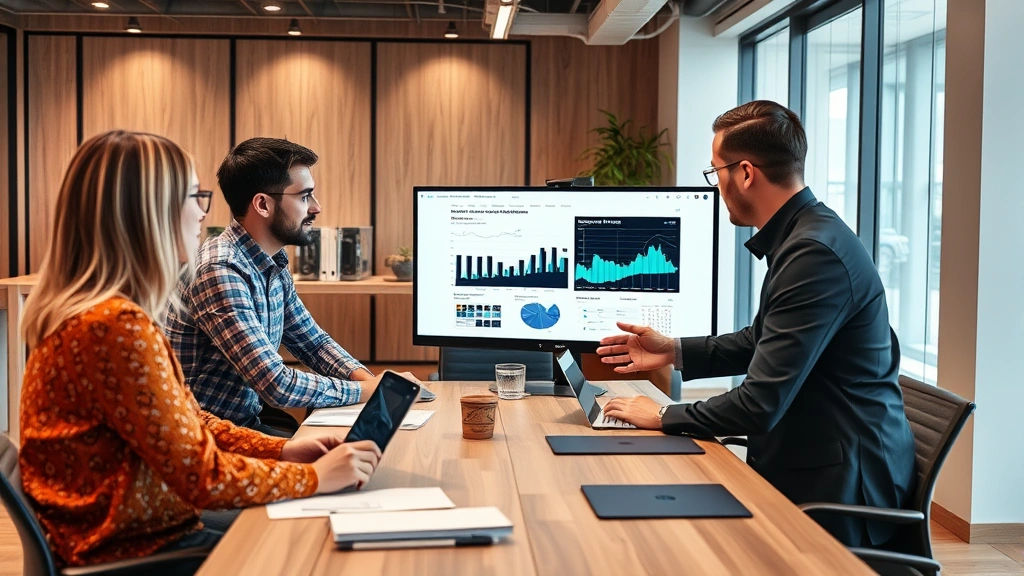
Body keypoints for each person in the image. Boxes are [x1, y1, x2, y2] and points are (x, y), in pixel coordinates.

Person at [18, 131, 383, 568]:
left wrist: (281, 452)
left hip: (143, 526)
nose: (203, 212)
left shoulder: (108, 316)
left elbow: (189, 421)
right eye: (195, 196)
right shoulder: (113, 328)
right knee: (312, 542)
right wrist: (312, 477)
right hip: (132, 547)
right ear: (149, 213)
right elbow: (202, 475)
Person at [596, 101, 915, 548]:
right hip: (814, 456)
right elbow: (762, 339)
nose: (717, 184)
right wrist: (673, 350)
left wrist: (664, 414)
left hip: (838, 487)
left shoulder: (814, 253)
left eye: (715, 172)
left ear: (745, 173)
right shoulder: (805, 235)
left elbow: (761, 402)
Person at [165, 138, 417, 436]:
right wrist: (368, 390)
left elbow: (312, 342)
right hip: (209, 437)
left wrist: (372, 382)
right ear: (263, 204)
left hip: (245, 420)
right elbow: (276, 384)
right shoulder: (221, 271)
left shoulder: (271, 259)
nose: (317, 207)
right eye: (305, 197)